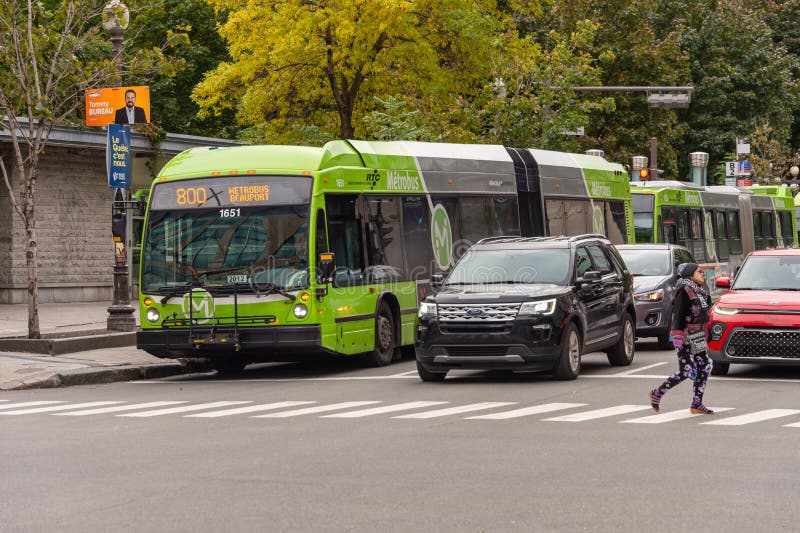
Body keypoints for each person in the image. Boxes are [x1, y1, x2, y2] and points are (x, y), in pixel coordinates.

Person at [648, 263, 714, 414]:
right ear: (690, 274)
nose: (702, 274)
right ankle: (658, 392)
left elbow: (703, 316)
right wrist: (677, 336)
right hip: (684, 336)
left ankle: (697, 403)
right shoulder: (684, 290)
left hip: (697, 336)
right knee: (686, 370)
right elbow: (678, 314)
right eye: (699, 271)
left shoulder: (700, 291)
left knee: (705, 366)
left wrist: (708, 334)